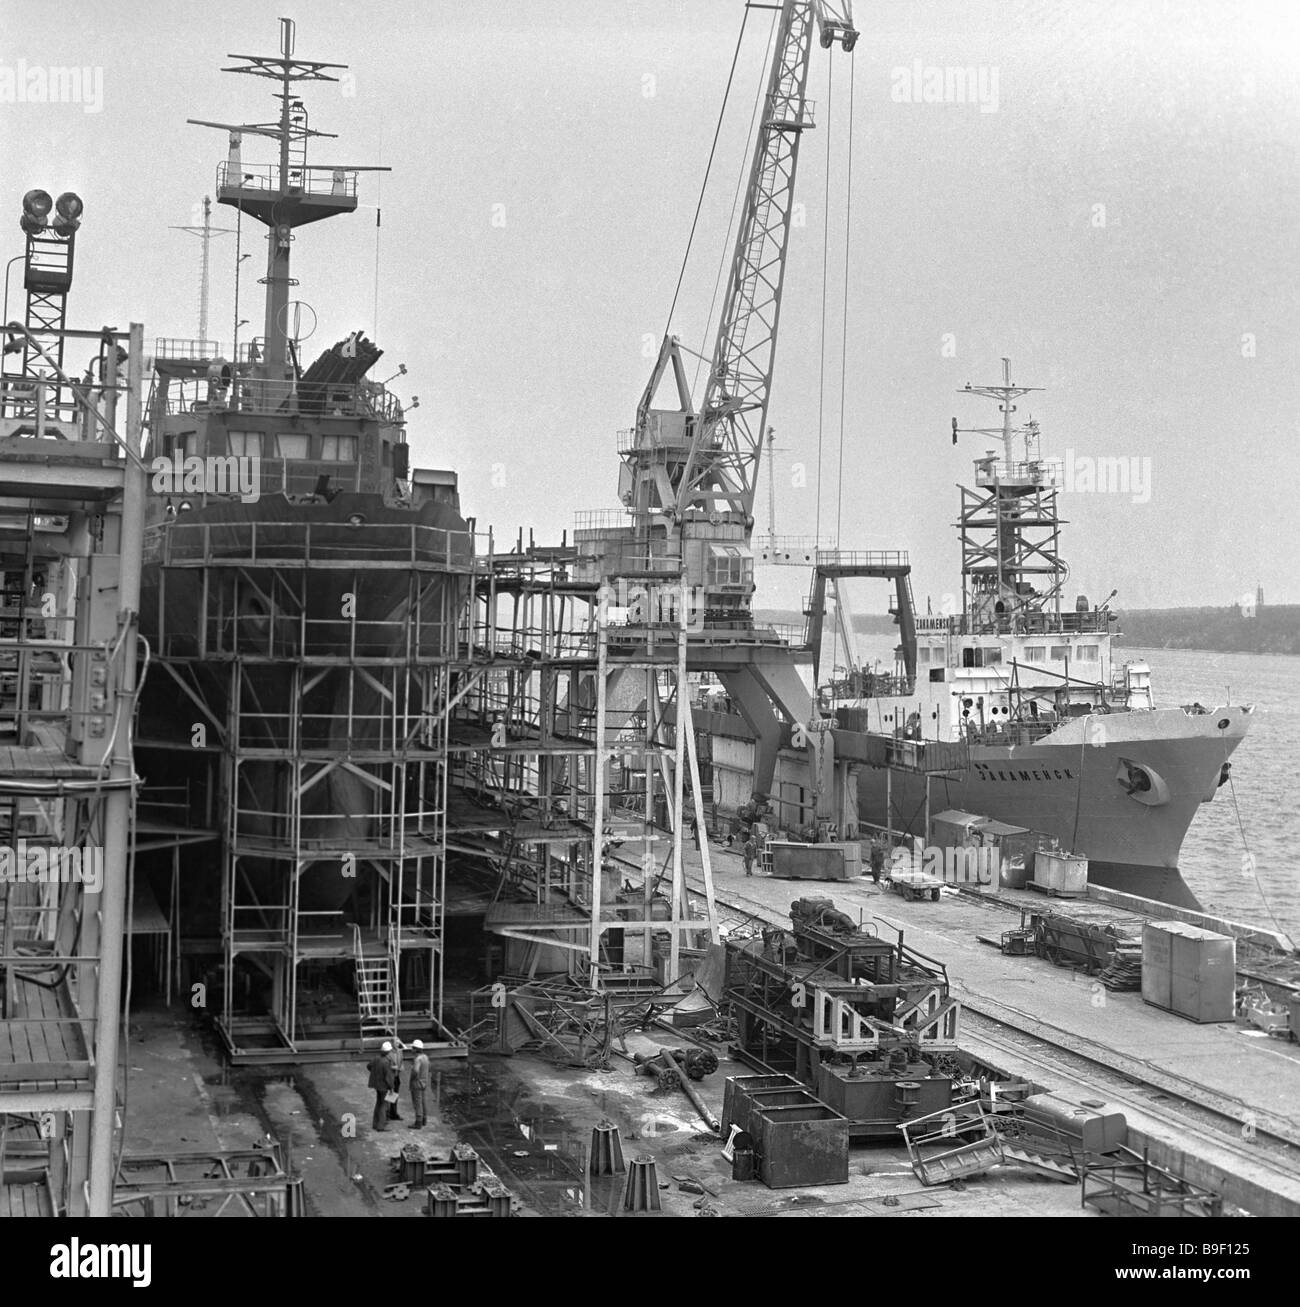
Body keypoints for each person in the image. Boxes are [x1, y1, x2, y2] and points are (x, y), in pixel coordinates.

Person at [368, 1042, 396, 1132]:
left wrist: (375, 1073)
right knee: (384, 1105)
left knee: (378, 1103)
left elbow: (368, 1066)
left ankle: (375, 1124)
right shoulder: (386, 1062)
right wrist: (391, 1087)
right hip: (384, 1086)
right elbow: (389, 1077)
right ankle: (381, 1126)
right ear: (388, 1051)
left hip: (377, 1085)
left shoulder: (376, 1058)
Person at [409, 1039, 430, 1128]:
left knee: (417, 1103)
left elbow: (415, 1071)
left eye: (412, 1048)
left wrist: (412, 1079)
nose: (411, 1050)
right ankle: (424, 1119)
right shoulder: (425, 1057)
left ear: (415, 1049)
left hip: (417, 1083)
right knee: (423, 1101)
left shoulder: (417, 1059)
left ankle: (418, 1122)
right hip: (424, 1082)